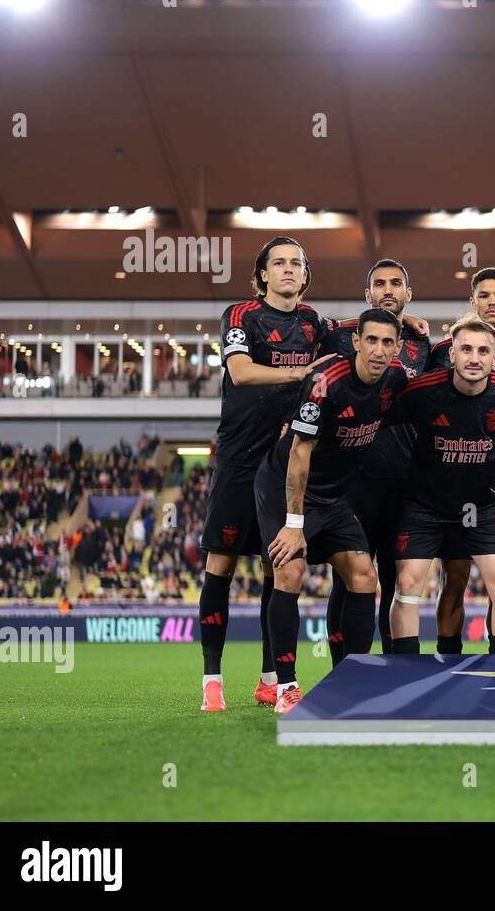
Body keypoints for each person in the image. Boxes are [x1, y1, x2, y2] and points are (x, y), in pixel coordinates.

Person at [197, 236, 334, 713]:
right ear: (262, 275)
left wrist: (407, 323)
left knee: (277, 567)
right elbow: (240, 372)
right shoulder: (240, 316)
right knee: (222, 565)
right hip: (238, 459)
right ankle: (212, 679)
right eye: (279, 263)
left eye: (297, 263)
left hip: (283, 463)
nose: (289, 269)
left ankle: (270, 678)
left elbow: (361, 337)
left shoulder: (315, 323)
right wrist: (299, 375)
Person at [255, 308, 411, 714]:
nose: (378, 350)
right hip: (285, 487)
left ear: (397, 348)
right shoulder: (326, 384)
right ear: (356, 341)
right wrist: (294, 524)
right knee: (290, 570)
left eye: (387, 342)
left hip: (332, 497)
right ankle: (286, 687)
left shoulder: (395, 381)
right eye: (371, 340)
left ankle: (353, 678)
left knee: (363, 575)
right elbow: (299, 451)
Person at [390, 315, 495, 655]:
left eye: (483, 351)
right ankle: (405, 674)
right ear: (451, 354)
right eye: (466, 349)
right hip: (424, 505)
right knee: (408, 584)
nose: (474, 357)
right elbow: (375, 415)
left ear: (494, 359)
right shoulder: (421, 391)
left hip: (482, 506)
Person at [318, 259, 431, 663]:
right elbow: (316, 328)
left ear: (408, 293)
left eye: (396, 284)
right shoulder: (342, 338)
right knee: (348, 580)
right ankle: (342, 673)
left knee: (394, 581)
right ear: (367, 295)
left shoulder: (424, 346)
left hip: (403, 482)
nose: (388, 289)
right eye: (379, 284)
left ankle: (386, 673)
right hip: (351, 482)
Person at [426, 268, 495, 653]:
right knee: (453, 576)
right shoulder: (443, 352)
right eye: (484, 295)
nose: (492, 301)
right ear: (472, 301)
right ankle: (447, 661)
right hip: (450, 481)